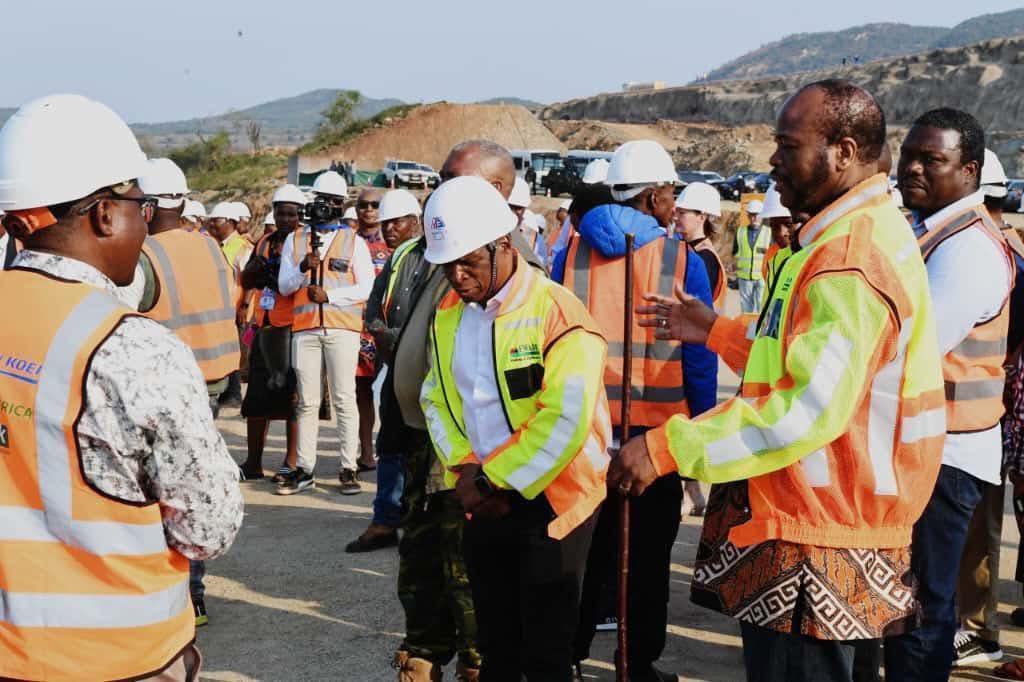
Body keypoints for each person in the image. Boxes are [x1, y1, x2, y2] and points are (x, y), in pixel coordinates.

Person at [610, 80, 946, 682]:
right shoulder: (840, 240)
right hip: (817, 528)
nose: (773, 162)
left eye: (788, 146)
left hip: (814, 538)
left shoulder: (849, 259)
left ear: (842, 152)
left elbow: (804, 408)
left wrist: (664, 448)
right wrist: (717, 331)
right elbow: (802, 363)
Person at [0, 93, 243, 681]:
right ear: (105, 213)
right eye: (140, 204)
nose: (145, 221)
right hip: (115, 656)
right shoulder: (131, 346)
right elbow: (208, 527)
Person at [421, 176, 610, 680]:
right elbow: (436, 397)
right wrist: (464, 471)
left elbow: (565, 418)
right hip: (482, 497)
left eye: (469, 263)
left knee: (547, 654)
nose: (457, 277)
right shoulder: (449, 314)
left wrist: (490, 480)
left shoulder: (559, 313)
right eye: (447, 266)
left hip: (555, 500)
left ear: (503, 245)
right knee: (497, 645)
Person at [558, 140, 717, 681]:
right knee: (646, 560)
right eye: (670, 193)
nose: (673, 204)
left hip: (586, 433)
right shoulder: (682, 261)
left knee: (586, 553)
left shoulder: (570, 254)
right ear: (652, 197)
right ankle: (636, 664)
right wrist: (700, 437)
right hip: (656, 441)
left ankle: (570, 657)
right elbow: (698, 360)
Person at [390, 139, 542, 680]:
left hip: (477, 461)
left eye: (456, 181)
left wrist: (473, 466)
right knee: (423, 568)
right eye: (440, 178)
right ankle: (423, 656)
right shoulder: (436, 249)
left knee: (468, 579)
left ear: (497, 194)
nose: (440, 192)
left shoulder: (516, 274)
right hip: (428, 439)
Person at [885, 109, 1014, 680]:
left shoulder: (967, 249)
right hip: (930, 446)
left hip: (946, 455)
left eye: (930, 160)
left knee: (922, 606)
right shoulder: (931, 229)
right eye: (909, 154)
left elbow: (906, 348)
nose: (912, 167)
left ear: (968, 170)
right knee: (909, 600)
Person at [137, 157, 242, 628]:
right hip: (215, 378)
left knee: (162, 491)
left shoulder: (146, 255)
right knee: (189, 484)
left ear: (147, 205)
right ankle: (194, 597)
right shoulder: (209, 246)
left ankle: (181, 596)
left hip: (167, 386)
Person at [278, 170, 373, 495]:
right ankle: (304, 469)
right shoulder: (296, 239)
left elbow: (367, 287)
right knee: (307, 401)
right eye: (321, 201)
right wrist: (304, 267)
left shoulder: (354, 241)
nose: (325, 207)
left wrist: (331, 297)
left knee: (345, 398)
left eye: (332, 202)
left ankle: (349, 467)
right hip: (305, 329)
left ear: (340, 205)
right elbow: (284, 285)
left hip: (342, 328)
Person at [346, 188, 423, 553]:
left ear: (415, 222)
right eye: (386, 223)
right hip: (398, 366)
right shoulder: (396, 260)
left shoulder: (435, 259)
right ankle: (385, 519)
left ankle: (417, 517)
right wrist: (383, 332)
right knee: (390, 442)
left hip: (427, 367)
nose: (389, 229)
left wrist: (394, 336)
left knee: (424, 447)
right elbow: (375, 305)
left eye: (397, 222)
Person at [237, 184, 306, 483]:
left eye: (291, 213)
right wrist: (260, 270)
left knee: (292, 399)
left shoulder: (306, 243)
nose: (285, 218)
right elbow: (249, 276)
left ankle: (291, 461)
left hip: (293, 327)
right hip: (265, 326)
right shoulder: (265, 241)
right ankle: (253, 462)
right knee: (257, 399)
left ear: (300, 215)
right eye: (281, 212)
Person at [353, 187, 390, 472]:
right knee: (361, 390)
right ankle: (366, 452)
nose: (368, 210)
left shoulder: (395, 244)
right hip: (357, 326)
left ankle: (390, 448)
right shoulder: (348, 242)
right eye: (363, 205)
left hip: (391, 326)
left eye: (374, 205)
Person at [208, 201, 252, 408]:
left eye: (216, 220)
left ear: (230, 222)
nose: (212, 225)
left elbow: (250, 280)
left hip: (236, 309)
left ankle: (233, 393)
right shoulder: (214, 245)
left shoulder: (243, 248)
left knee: (235, 350)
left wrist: (244, 305)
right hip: (220, 309)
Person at [674, 181, 725, 313]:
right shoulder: (685, 247)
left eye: (682, 213)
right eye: (676, 211)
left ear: (701, 217)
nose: (675, 217)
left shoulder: (706, 257)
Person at [733, 197, 770, 313]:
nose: (754, 218)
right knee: (746, 308)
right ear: (748, 215)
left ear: (762, 216)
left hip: (762, 277)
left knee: (761, 307)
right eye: (752, 215)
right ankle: (745, 329)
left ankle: (757, 331)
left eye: (757, 215)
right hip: (745, 277)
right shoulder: (740, 232)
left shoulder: (768, 232)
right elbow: (735, 253)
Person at [759, 184, 795, 297]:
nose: (781, 233)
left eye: (788, 224)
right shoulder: (771, 257)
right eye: (774, 226)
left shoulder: (811, 260)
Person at [509, 176, 548, 267]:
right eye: (510, 207)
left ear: (524, 208)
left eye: (518, 208)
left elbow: (541, 269)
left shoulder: (535, 238)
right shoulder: (491, 233)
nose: (512, 212)